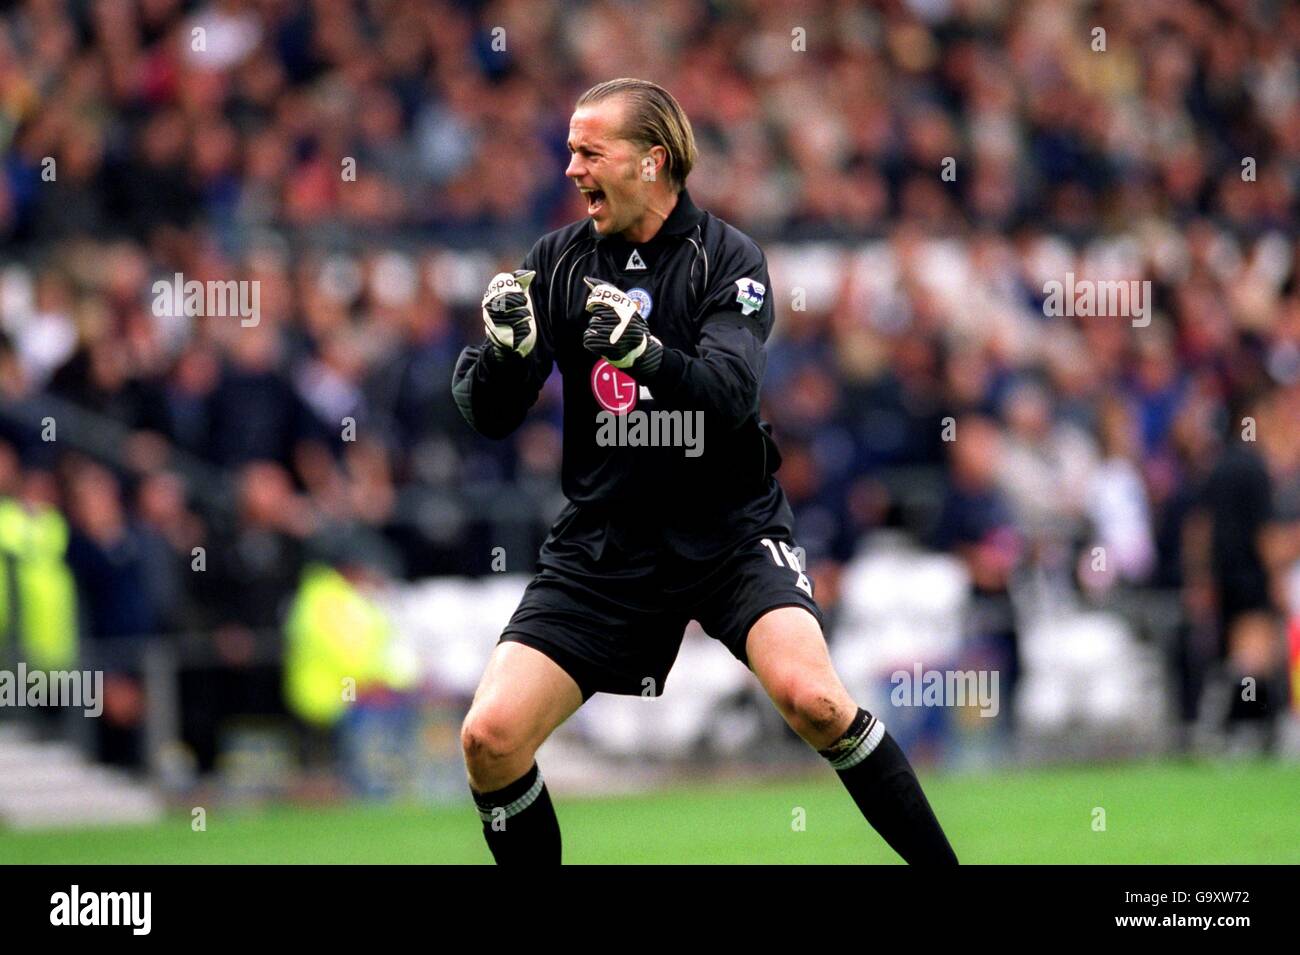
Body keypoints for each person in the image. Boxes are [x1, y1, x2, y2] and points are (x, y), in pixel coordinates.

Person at [451, 78, 957, 865]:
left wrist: (644, 352)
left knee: (816, 700)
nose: (570, 167)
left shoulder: (727, 259)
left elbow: (729, 393)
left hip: (730, 531)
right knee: (489, 737)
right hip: (606, 543)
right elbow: (489, 414)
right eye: (569, 149)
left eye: (589, 150)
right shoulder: (557, 261)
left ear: (651, 161)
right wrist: (507, 360)